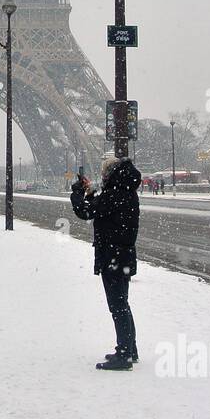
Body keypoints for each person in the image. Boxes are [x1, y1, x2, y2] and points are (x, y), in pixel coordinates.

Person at [71, 158, 142, 371]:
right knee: (123, 304)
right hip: (122, 255)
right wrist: (91, 194)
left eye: (105, 174)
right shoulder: (125, 192)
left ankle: (124, 355)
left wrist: (76, 193)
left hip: (113, 256)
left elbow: (86, 212)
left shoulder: (115, 194)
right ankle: (130, 349)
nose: (103, 177)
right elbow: (99, 207)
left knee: (117, 306)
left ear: (112, 174)